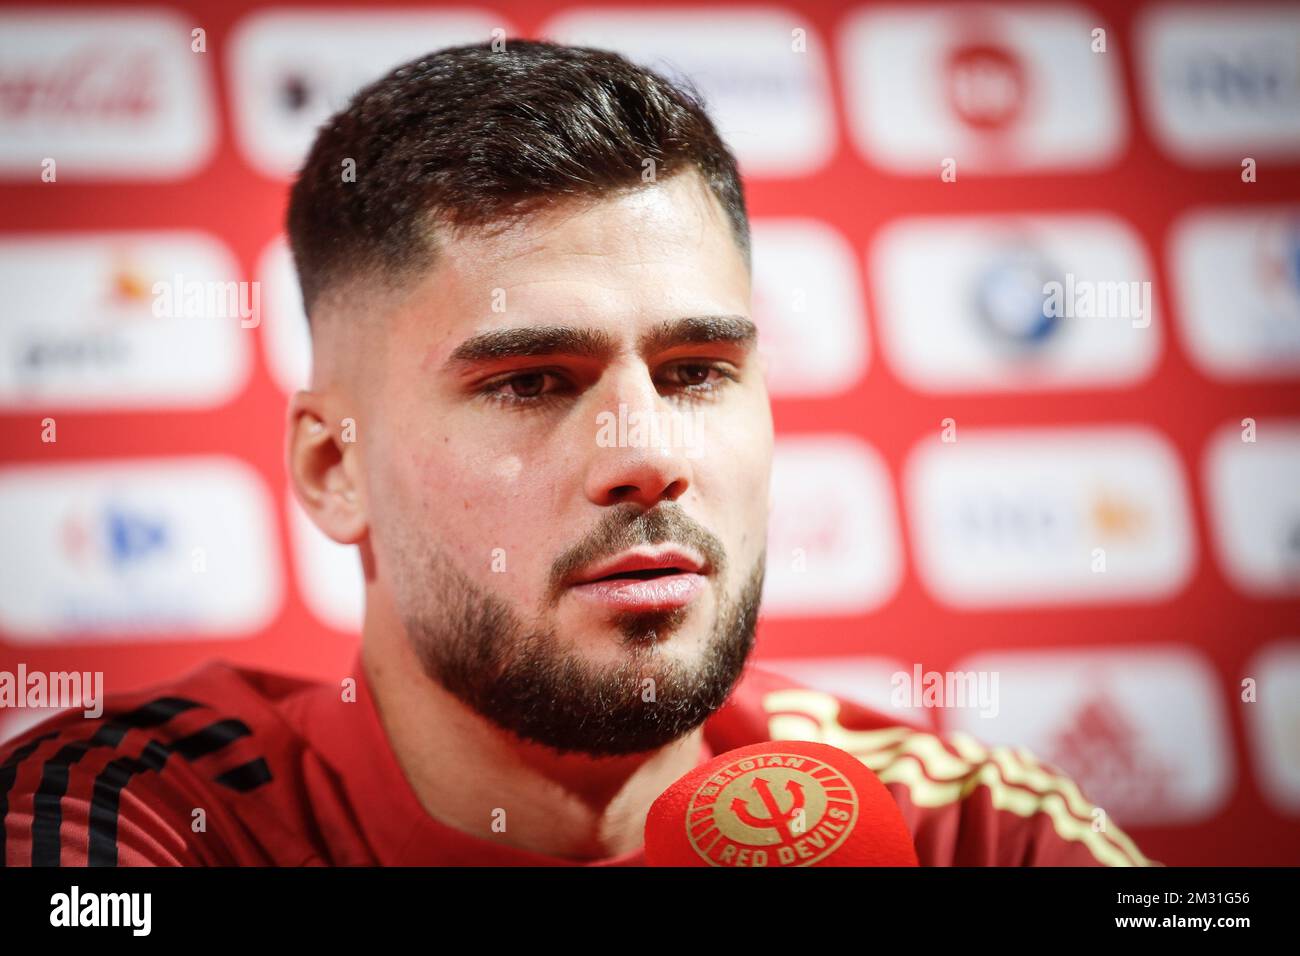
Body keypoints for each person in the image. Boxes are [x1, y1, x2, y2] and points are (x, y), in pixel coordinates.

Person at [0, 40, 1153, 867]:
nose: (644, 455)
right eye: (530, 382)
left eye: (696, 370)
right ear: (332, 469)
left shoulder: (972, 831)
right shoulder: (132, 811)